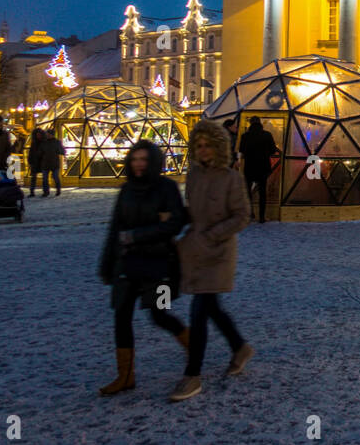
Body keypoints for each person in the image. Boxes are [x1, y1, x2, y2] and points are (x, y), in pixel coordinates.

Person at [97, 140, 189, 396]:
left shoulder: (167, 188)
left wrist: (137, 235)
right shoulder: (126, 190)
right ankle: (125, 376)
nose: (139, 164)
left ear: (154, 162)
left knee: (160, 314)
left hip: (161, 267)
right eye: (135, 159)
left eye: (144, 160)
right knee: (121, 317)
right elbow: (115, 229)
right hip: (127, 266)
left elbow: (175, 223)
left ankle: (194, 349)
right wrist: (107, 264)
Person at [170, 121, 254, 401]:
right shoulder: (193, 175)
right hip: (195, 251)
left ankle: (192, 375)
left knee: (199, 310)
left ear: (219, 146)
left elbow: (242, 216)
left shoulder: (232, 178)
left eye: (208, 145)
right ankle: (239, 347)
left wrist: (213, 235)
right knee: (212, 308)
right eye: (199, 145)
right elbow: (192, 210)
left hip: (218, 254)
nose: (203, 150)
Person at [237, 116, 278, 223]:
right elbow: (273, 150)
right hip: (263, 166)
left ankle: (250, 215)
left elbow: (242, 150)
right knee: (262, 192)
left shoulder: (245, 136)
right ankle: (262, 217)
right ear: (260, 123)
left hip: (249, 167)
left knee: (248, 191)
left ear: (250, 123)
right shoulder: (267, 135)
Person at [39, 129, 64, 197]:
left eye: (48, 134)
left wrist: (59, 151)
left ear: (52, 135)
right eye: (47, 134)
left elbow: (62, 151)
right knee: (45, 179)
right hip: (46, 163)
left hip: (54, 163)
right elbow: (40, 152)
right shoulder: (44, 142)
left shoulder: (57, 142)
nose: (47, 135)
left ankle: (58, 190)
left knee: (55, 177)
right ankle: (46, 192)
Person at [26, 127, 46, 196]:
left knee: (44, 178)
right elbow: (31, 152)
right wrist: (30, 160)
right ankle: (32, 192)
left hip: (42, 162)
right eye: (37, 134)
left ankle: (45, 191)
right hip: (35, 162)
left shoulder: (44, 142)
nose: (38, 136)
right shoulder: (34, 142)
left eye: (39, 134)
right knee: (33, 178)